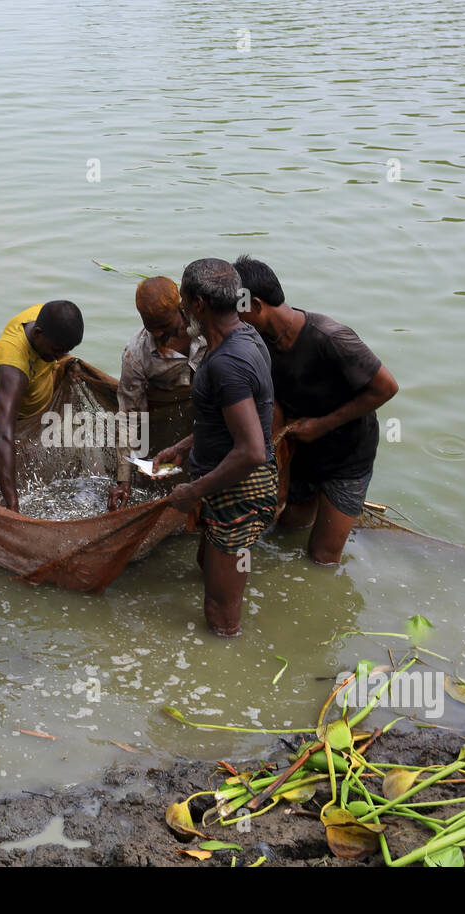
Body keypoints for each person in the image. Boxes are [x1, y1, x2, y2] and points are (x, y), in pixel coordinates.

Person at [232, 254, 399, 565]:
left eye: (237, 312)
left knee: (322, 557)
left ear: (254, 305)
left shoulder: (331, 338)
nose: (234, 321)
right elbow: (274, 398)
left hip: (348, 456)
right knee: (286, 530)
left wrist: (321, 425)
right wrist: (276, 468)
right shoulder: (262, 342)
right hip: (304, 452)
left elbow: (386, 388)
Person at [152, 259, 276, 638]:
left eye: (185, 301)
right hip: (228, 482)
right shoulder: (248, 337)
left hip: (238, 491)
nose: (182, 309)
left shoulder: (227, 363)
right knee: (209, 565)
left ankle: (227, 680)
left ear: (199, 304)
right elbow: (237, 421)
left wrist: (193, 491)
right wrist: (184, 445)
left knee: (221, 615)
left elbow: (252, 450)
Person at [107, 276, 206, 511]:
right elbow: (129, 417)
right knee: (165, 484)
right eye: (153, 328)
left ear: (180, 307)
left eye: (165, 325)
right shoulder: (136, 356)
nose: (160, 334)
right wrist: (124, 481)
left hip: (209, 413)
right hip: (166, 421)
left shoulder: (207, 327)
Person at [0, 301, 84, 512]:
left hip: (35, 420)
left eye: (65, 351)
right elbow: (2, 436)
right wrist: (12, 505)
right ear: (37, 333)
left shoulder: (41, 316)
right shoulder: (12, 369)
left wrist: (67, 360)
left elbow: (59, 349)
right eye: (57, 351)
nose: (59, 356)